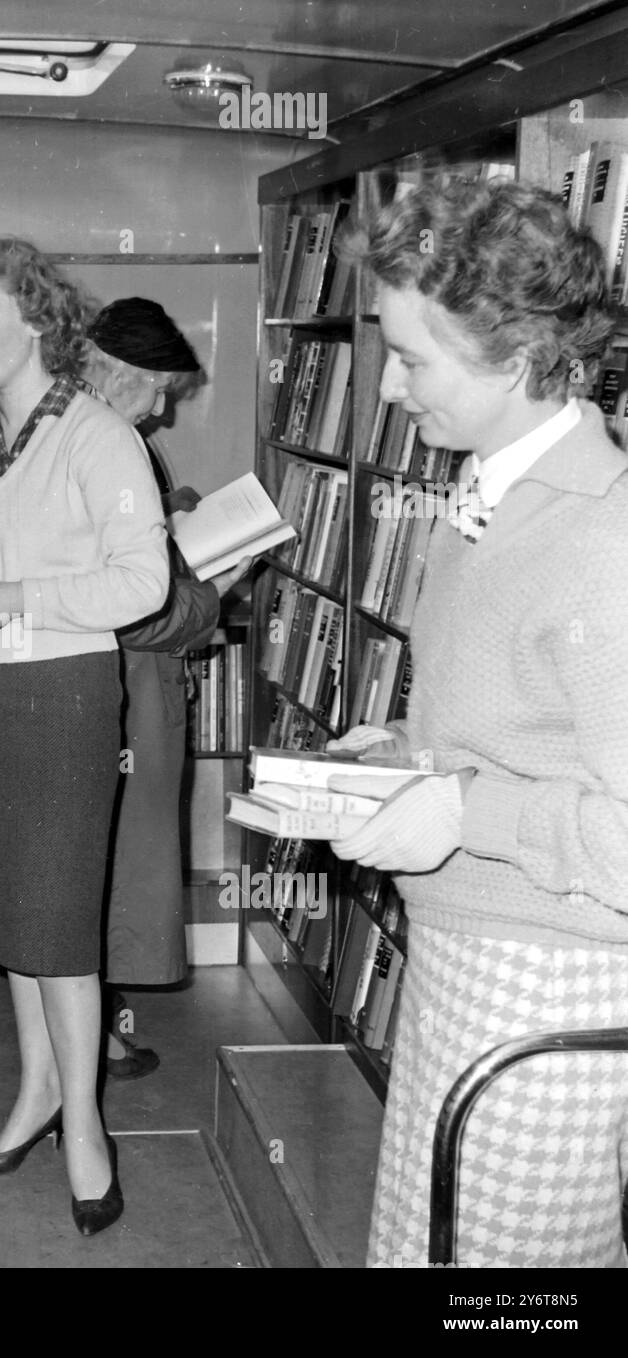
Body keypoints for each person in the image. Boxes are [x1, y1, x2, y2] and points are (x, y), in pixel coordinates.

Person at [327, 177, 628, 1267]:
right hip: (472, 955)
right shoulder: (489, 493)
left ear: (510, 356)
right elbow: (519, 725)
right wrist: (405, 759)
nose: (393, 388)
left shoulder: (604, 542)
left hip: (548, 981)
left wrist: (459, 806)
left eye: (413, 359)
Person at [0, 239, 169, 1236]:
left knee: (56, 920)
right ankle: (35, 1092)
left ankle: (87, 1126)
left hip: (62, 698)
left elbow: (141, 586)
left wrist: (12, 597)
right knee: (9, 913)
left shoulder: (103, 437)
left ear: (36, 322)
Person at [82, 299, 250, 1078]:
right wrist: (214, 590)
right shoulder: (106, 443)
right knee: (117, 863)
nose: (159, 412)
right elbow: (136, 607)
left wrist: (175, 518)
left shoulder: (81, 434)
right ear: (116, 376)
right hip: (125, 691)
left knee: (107, 861)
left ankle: (92, 1029)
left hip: (106, 686)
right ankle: (93, 1035)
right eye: (154, 393)